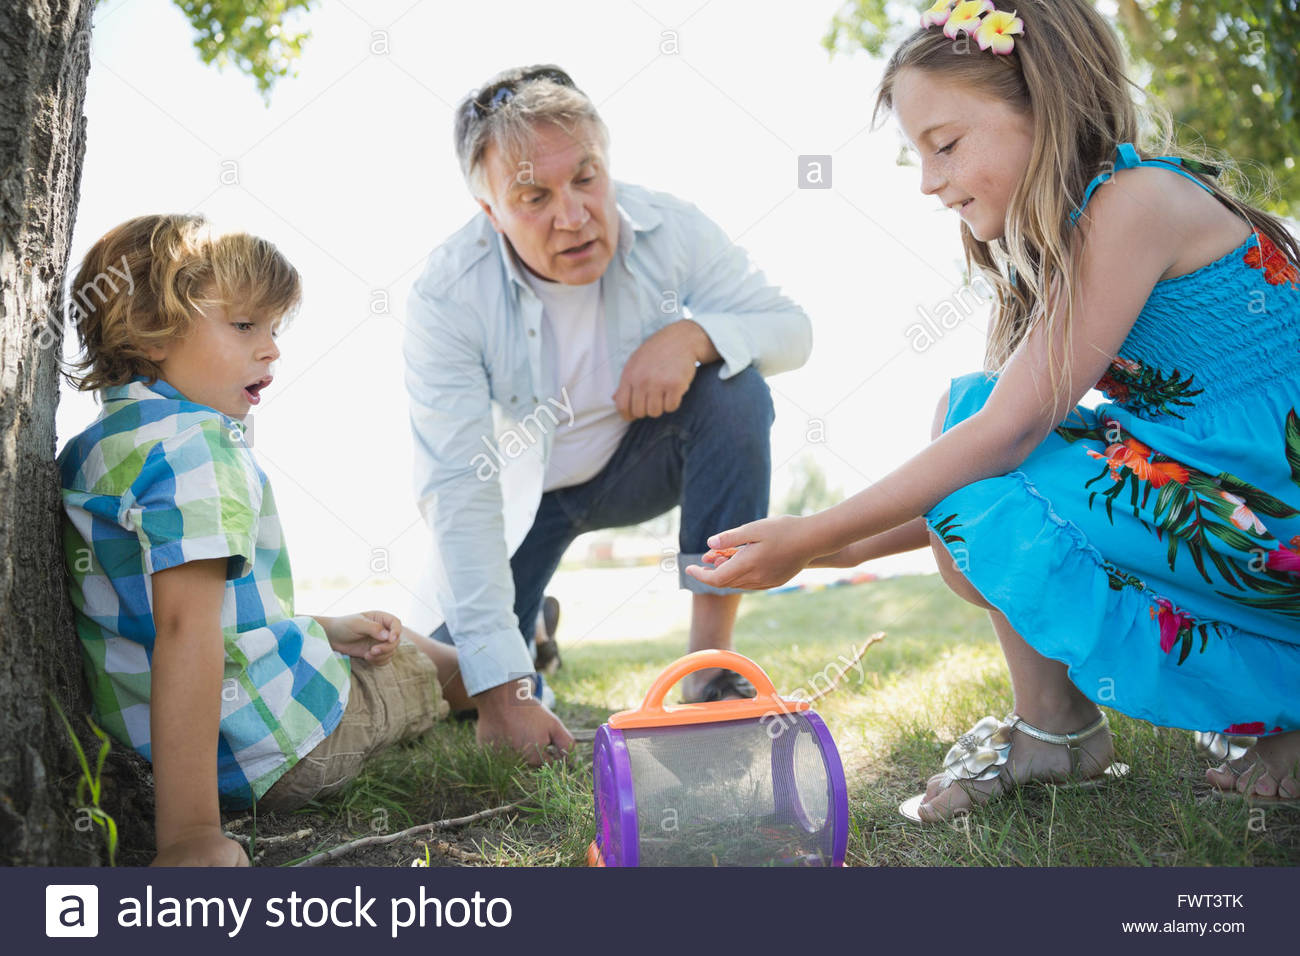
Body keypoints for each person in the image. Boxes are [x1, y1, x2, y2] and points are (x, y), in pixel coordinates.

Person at [688, 0, 1300, 821]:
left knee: (978, 415)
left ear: (1045, 109)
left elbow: (1005, 438)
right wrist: (822, 552)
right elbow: (992, 471)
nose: (930, 182)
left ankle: (1074, 729)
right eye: (917, 155)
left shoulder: (1137, 203)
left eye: (945, 145)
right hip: (1248, 511)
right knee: (970, 416)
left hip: (1277, 517)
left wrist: (815, 530)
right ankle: (1061, 729)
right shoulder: (1074, 238)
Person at [404, 65, 812, 763]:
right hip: (517, 506)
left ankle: (710, 669)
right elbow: (458, 489)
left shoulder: (668, 226)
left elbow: (789, 328)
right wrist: (504, 693)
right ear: (490, 212)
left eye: (586, 179)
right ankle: (532, 637)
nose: (572, 216)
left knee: (735, 388)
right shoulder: (447, 295)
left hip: (634, 466)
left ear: (606, 163)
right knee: (448, 687)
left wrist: (693, 336)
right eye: (533, 196)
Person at [58, 215, 472, 865]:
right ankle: (503, 678)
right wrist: (191, 835)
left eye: (274, 328)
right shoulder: (198, 449)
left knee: (380, 634)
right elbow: (185, 632)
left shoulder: (90, 452)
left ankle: (503, 655)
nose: (272, 348)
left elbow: (168, 614)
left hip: (180, 741)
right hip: (279, 743)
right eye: (245, 325)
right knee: (424, 663)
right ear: (149, 331)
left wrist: (324, 628)